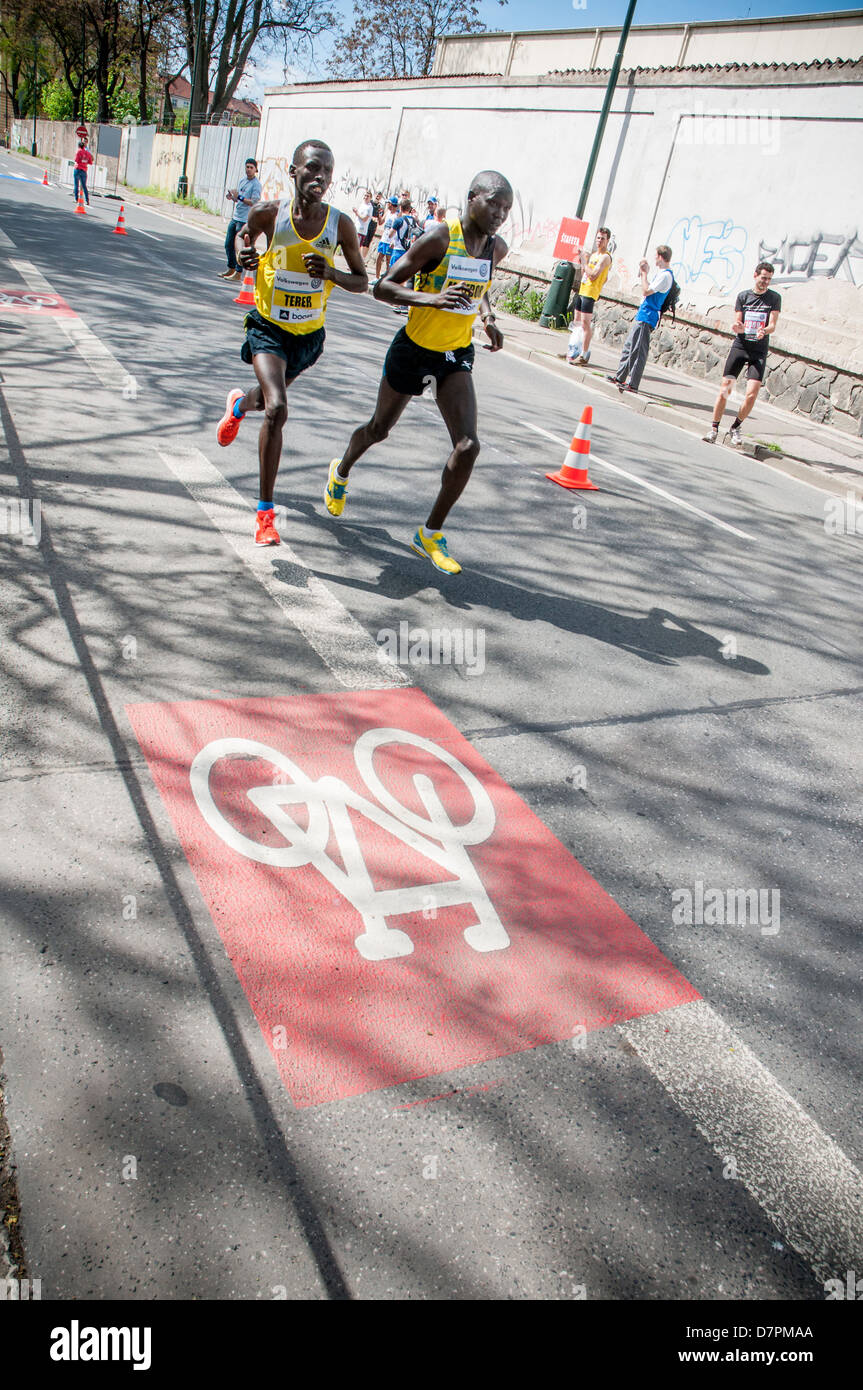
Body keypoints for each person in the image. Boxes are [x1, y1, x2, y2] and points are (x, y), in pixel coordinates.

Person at [323, 169, 513, 576]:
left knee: (468, 446)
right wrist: (432, 299)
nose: (500, 213)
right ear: (471, 197)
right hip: (413, 349)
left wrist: (489, 317)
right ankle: (340, 472)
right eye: (493, 203)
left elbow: (477, 290)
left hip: (454, 355)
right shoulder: (440, 238)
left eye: (506, 208)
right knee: (378, 430)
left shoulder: (497, 248)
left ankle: (430, 533)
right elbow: (382, 287)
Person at [215, 139, 368, 546]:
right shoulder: (269, 212)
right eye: (313, 168)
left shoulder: (341, 225)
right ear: (294, 172)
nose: (320, 177)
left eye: (327, 172)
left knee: (267, 402)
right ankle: (265, 514)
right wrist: (245, 254)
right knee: (278, 408)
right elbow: (241, 239)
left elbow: (362, 281)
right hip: (267, 327)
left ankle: (237, 405)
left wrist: (332, 273)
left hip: (308, 337)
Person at [702, 262, 781, 447]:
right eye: (763, 278)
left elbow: (773, 324)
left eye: (769, 279)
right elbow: (738, 320)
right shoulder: (743, 296)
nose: (765, 283)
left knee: (752, 395)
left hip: (758, 350)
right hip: (741, 347)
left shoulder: (774, 298)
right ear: (755, 276)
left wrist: (765, 331)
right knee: (725, 391)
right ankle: (714, 429)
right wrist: (737, 326)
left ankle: (735, 427)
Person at [605, 245, 673, 395]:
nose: (654, 258)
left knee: (638, 350)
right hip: (644, 313)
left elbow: (646, 290)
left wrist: (643, 273)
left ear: (661, 257)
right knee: (629, 346)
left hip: (648, 315)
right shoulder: (662, 274)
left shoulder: (665, 276)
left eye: (655, 256)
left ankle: (633, 384)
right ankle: (620, 376)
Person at [568, 226, 612, 365]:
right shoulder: (594, 255)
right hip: (583, 290)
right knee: (577, 321)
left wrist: (585, 262)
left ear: (608, 241)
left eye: (603, 239)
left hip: (590, 293)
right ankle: (574, 350)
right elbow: (585, 274)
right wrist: (583, 261)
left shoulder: (605, 257)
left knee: (586, 324)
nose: (599, 241)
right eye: (598, 238)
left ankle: (584, 354)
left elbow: (593, 275)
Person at [220, 158, 263, 281]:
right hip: (235, 217)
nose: (248, 169)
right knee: (228, 244)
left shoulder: (256, 185)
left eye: (251, 167)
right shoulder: (242, 181)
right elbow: (239, 199)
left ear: (255, 169)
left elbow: (254, 202)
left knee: (240, 247)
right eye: (247, 167)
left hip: (245, 220)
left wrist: (239, 196)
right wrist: (232, 197)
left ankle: (238, 273)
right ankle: (231, 268)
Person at [374, 195, 400, 281]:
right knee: (379, 257)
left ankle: (386, 279)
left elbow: (398, 229)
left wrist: (394, 242)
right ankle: (377, 277)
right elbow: (381, 222)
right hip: (384, 239)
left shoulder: (397, 215)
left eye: (388, 203)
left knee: (388, 260)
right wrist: (378, 215)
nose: (387, 205)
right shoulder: (387, 212)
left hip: (390, 241)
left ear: (391, 204)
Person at [73, 137, 94, 205]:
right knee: (84, 185)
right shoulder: (87, 153)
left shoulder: (79, 151)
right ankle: (87, 200)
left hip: (78, 169)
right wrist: (85, 162)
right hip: (84, 170)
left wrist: (81, 161)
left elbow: (76, 160)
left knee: (76, 185)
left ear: (79, 146)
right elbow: (90, 162)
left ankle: (76, 199)